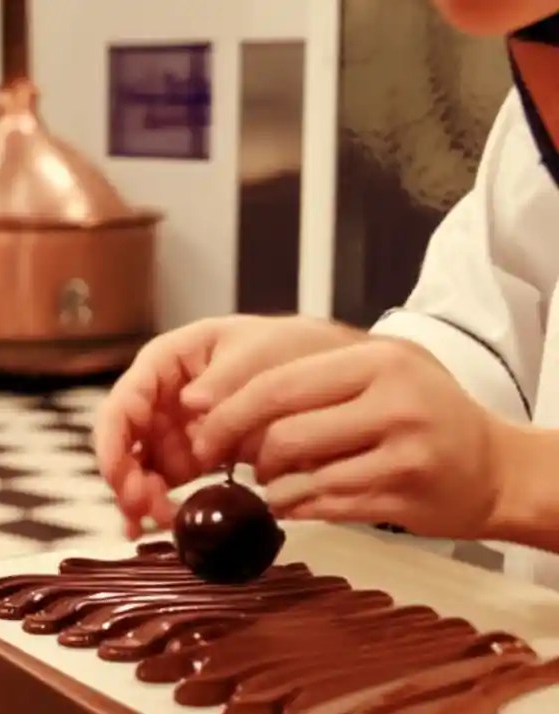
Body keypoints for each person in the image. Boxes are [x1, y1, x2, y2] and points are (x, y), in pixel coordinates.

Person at [91, 0, 559, 586]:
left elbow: (505, 460)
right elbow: (505, 331)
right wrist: (346, 377)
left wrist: (512, 479)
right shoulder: (531, 100)